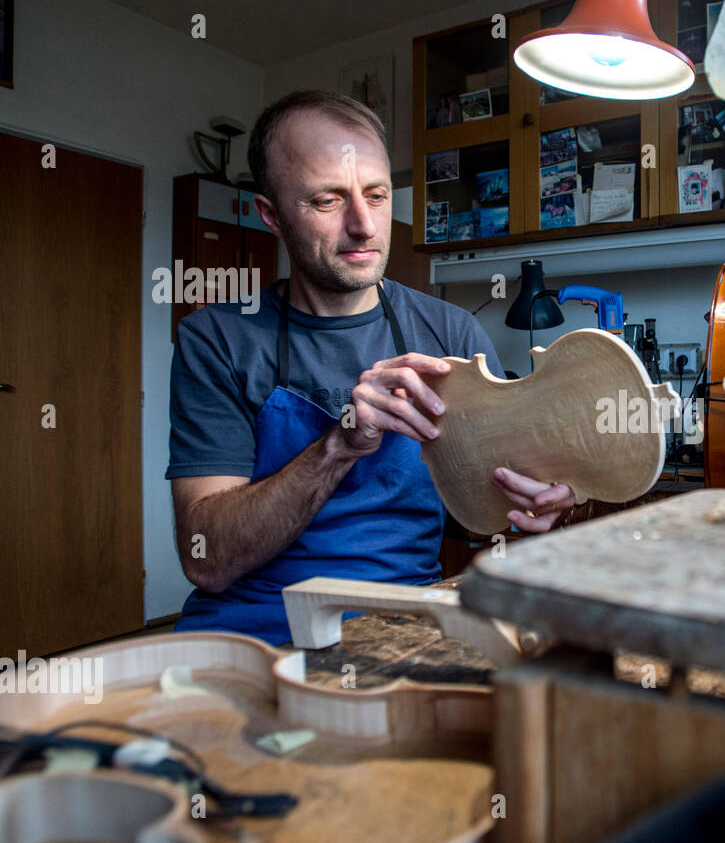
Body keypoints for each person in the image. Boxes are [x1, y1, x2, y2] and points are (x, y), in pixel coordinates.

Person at [166, 90, 574, 645]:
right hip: (253, 630)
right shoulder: (217, 339)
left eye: (377, 196)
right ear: (272, 215)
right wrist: (340, 444)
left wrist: (551, 502)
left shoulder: (451, 334)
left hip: (406, 622)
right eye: (328, 200)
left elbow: (493, 509)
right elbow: (207, 559)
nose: (364, 225)